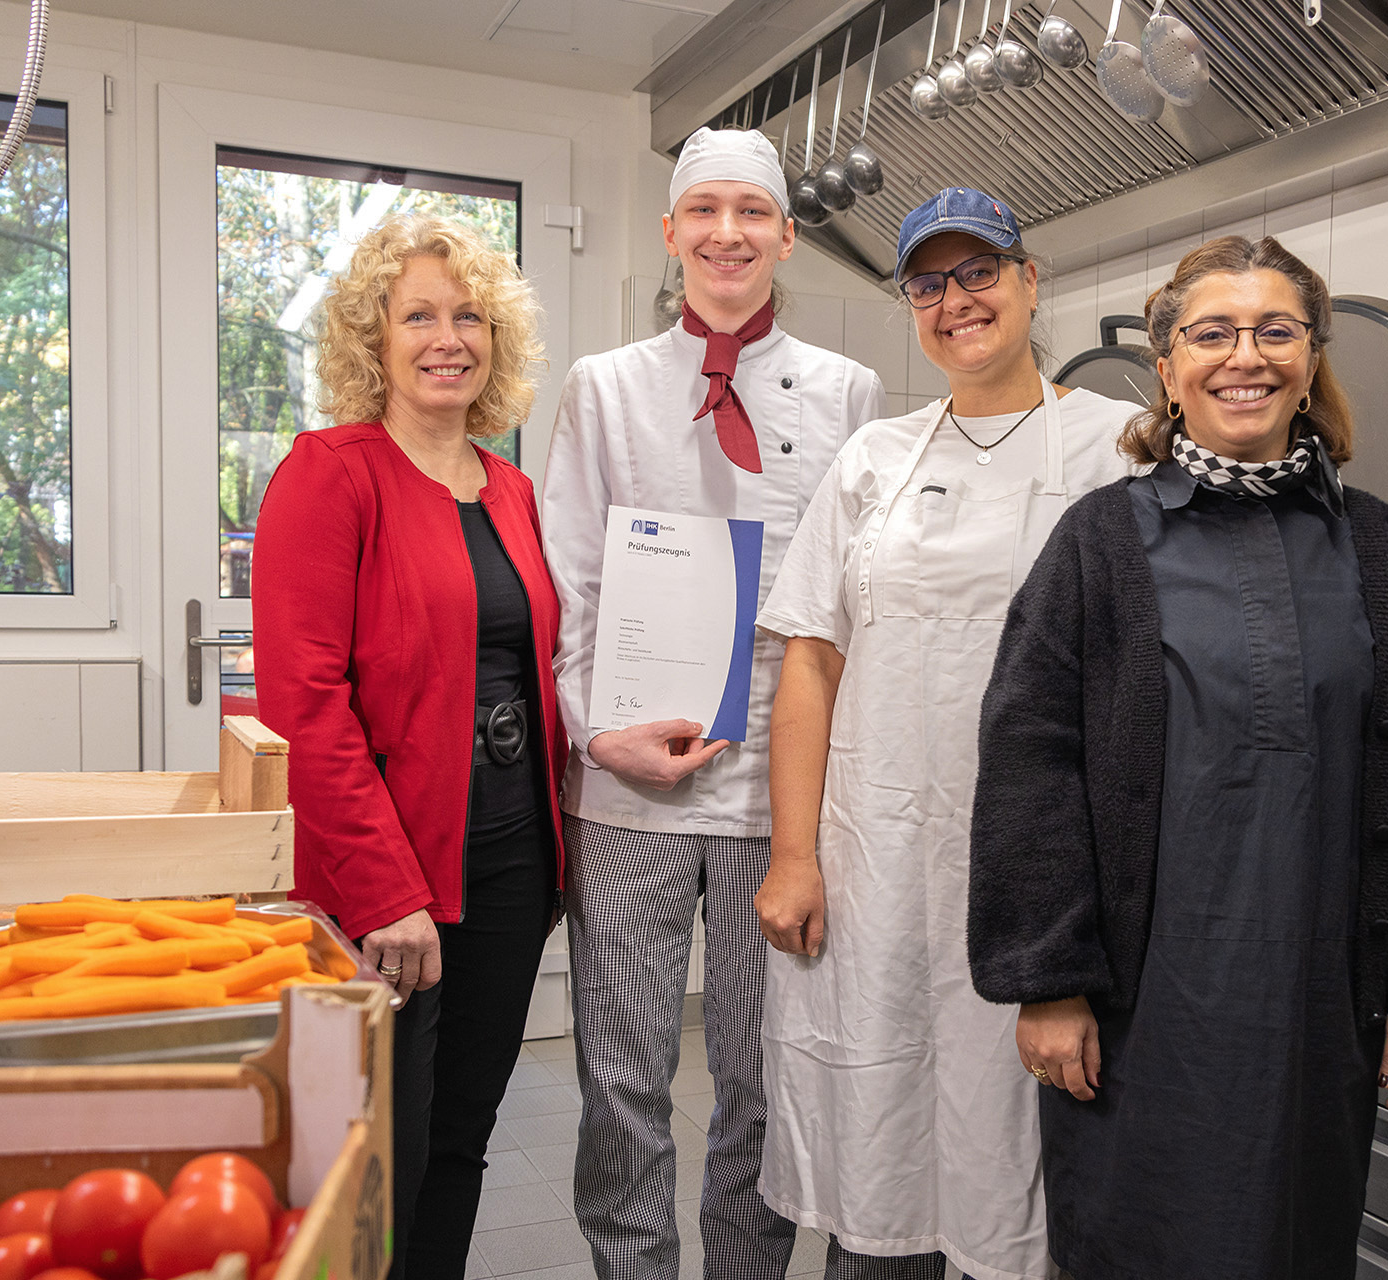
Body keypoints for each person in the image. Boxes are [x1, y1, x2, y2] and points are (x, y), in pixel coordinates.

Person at [966, 234, 1388, 1279]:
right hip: (1140, 1010)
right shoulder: (1102, 541)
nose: (1244, 355)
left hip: (1318, 1008)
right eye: (1212, 333)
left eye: (1275, 330)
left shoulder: (1379, 546)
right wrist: (1049, 979)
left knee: (1295, 1246)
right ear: (1167, 368)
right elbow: (1030, 759)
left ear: (1311, 359)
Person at [752, 188, 1136, 1280]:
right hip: (878, 858)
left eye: (979, 273)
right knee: (881, 1137)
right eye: (930, 283)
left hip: (1047, 866)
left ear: (1028, 279)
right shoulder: (874, 457)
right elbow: (810, 658)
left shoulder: (1113, 445)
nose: (956, 300)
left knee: (1019, 1145)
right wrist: (792, 853)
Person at [541, 126, 886, 1280]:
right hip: (625, 796)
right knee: (623, 1078)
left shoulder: (849, 394)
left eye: (752, 212)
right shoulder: (604, 388)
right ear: (672, 230)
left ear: (788, 235)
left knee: (761, 1078)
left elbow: (845, 603)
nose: (727, 234)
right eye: (705, 211)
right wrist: (599, 729)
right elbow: (572, 584)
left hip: (774, 805)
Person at [252, 214, 566, 1280]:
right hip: (390, 875)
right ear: (372, 338)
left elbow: (532, 670)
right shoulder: (330, 473)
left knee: (461, 1135)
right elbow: (306, 702)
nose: (449, 336)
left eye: (469, 313)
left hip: (513, 862)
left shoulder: (512, 490)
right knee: (374, 1146)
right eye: (418, 314)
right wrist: (387, 889)